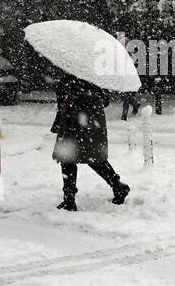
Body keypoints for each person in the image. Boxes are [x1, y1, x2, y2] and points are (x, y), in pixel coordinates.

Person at [50, 72, 130, 211]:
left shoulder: (73, 76)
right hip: (89, 121)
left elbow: (66, 98)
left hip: (77, 122)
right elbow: (105, 99)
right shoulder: (93, 74)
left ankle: (70, 199)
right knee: (90, 157)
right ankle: (117, 186)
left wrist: (68, 92)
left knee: (75, 158)